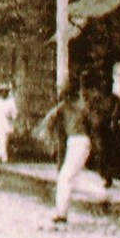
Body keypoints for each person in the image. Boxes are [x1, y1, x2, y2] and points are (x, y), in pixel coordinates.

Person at [46, 81, 92, 223]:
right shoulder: (75, 106)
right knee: (67, 177)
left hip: (80, 142)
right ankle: (61, 212)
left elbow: (50, 120)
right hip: (75, 142)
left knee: (66, 177)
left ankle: (61, 213)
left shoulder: (77, 106)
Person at [0, 84, 17, 163]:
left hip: (7, 124)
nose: (4, 93)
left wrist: (11, 116)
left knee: (4, 141)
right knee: (1, 140)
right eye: (2, 92)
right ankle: (4, 158)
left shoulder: (11, 102)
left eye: (5, 91)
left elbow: (14, 114)